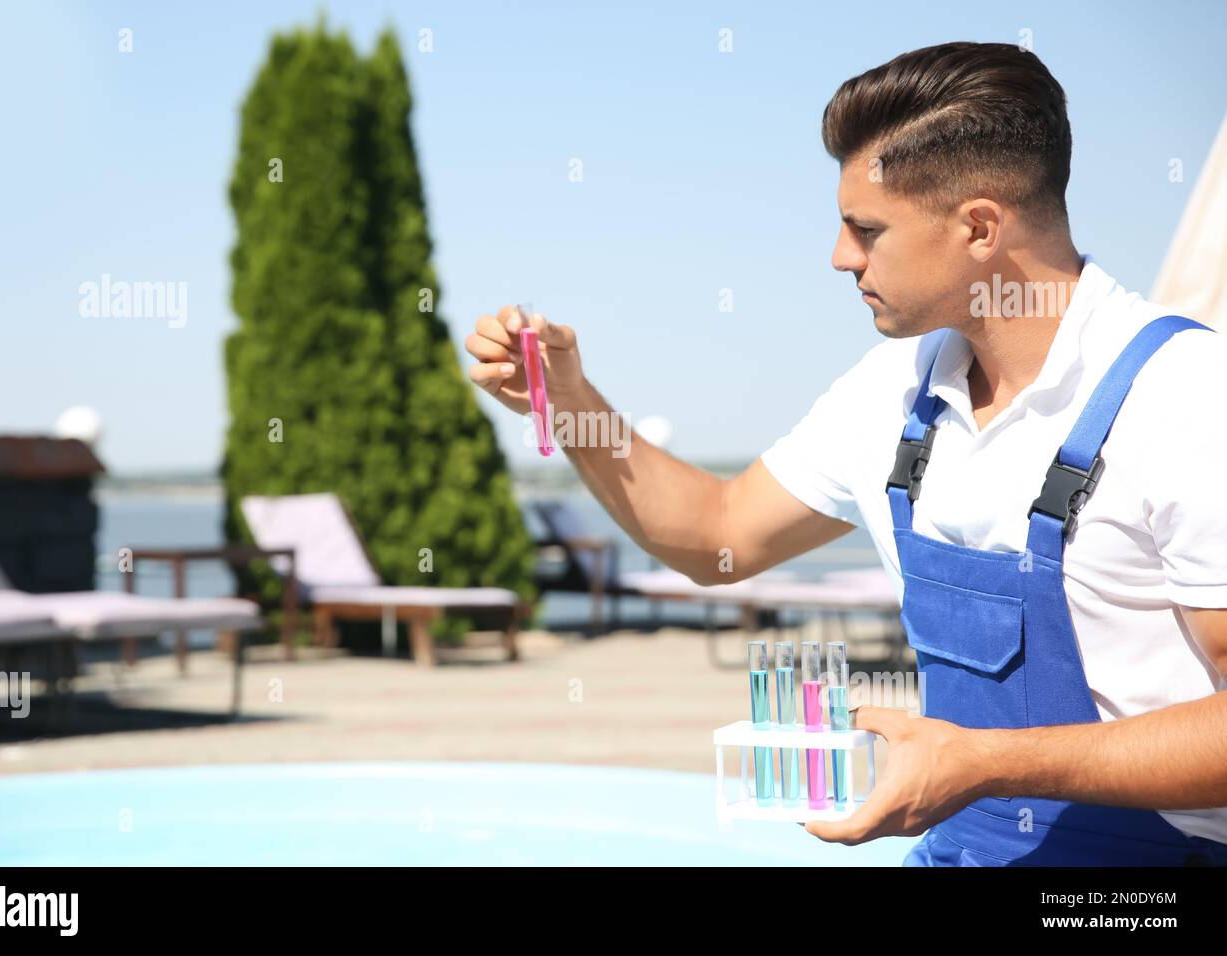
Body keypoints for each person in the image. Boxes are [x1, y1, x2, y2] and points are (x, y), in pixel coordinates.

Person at [463, 41, 1227, 866]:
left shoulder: (1184, 395)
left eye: (866, 229)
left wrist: (989, 764)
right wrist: (573, 403)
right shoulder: (893, 388)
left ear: (979, 227)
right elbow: (717, 532)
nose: (840, 257)